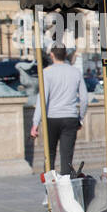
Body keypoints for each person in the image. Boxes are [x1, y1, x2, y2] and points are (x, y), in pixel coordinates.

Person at [29, 46, 89, 175]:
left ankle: (50, 188)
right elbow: (84, 98)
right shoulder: (75, 72)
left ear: (51, 55)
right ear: (66, 54)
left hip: (51, 118)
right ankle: (66, 187)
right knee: (67, 156)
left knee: (49, 154)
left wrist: (35, 123)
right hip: (70, 117)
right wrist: (80, 118)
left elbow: (42, 99)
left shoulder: (46, 72)